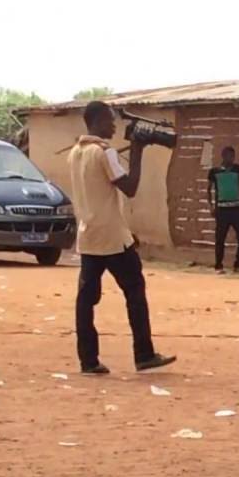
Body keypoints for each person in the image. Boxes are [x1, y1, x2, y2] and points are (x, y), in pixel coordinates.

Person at [68, 101, 176, 375]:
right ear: (97, 121)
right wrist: (138, 150)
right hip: (113, 237)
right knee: (135, 291)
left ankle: (88, 360)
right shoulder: (104, 153)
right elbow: (130, 188)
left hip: (89, 236)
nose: (114, 126)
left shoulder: (75, 153)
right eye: (110, 121)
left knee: (86, 300)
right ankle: (144, 354)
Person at [208, 145, 239, 273]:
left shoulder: (237, 170)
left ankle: (238, 265)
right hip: (222, 209)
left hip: (237, 208)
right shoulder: (215, 172)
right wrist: (211, 206)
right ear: (223, 156)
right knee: (220, 239)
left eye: (233, 156)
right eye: (229, 156)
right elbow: (208, 189)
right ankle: (218, 265)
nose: (231, 158)